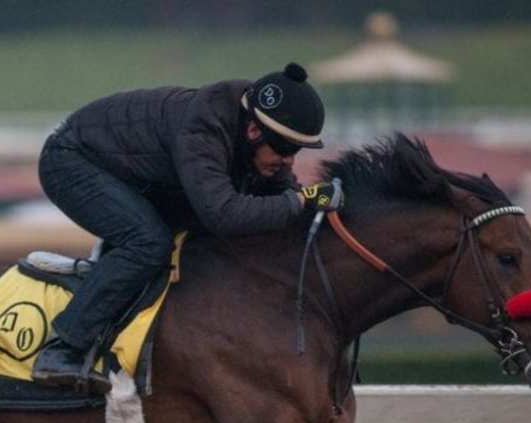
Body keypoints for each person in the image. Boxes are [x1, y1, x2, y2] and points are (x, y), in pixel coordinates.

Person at [31, 62, 340, 394]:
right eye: (286, 149)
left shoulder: (252, 126)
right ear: (253, 132)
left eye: (297, 150)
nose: (290, 161)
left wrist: (316, 203)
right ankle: (63, 349)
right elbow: (224, 213)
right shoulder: (202, 130)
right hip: (70, 160)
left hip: (134, 172)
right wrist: (301, 201)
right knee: (148, 242)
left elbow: (282, 196)